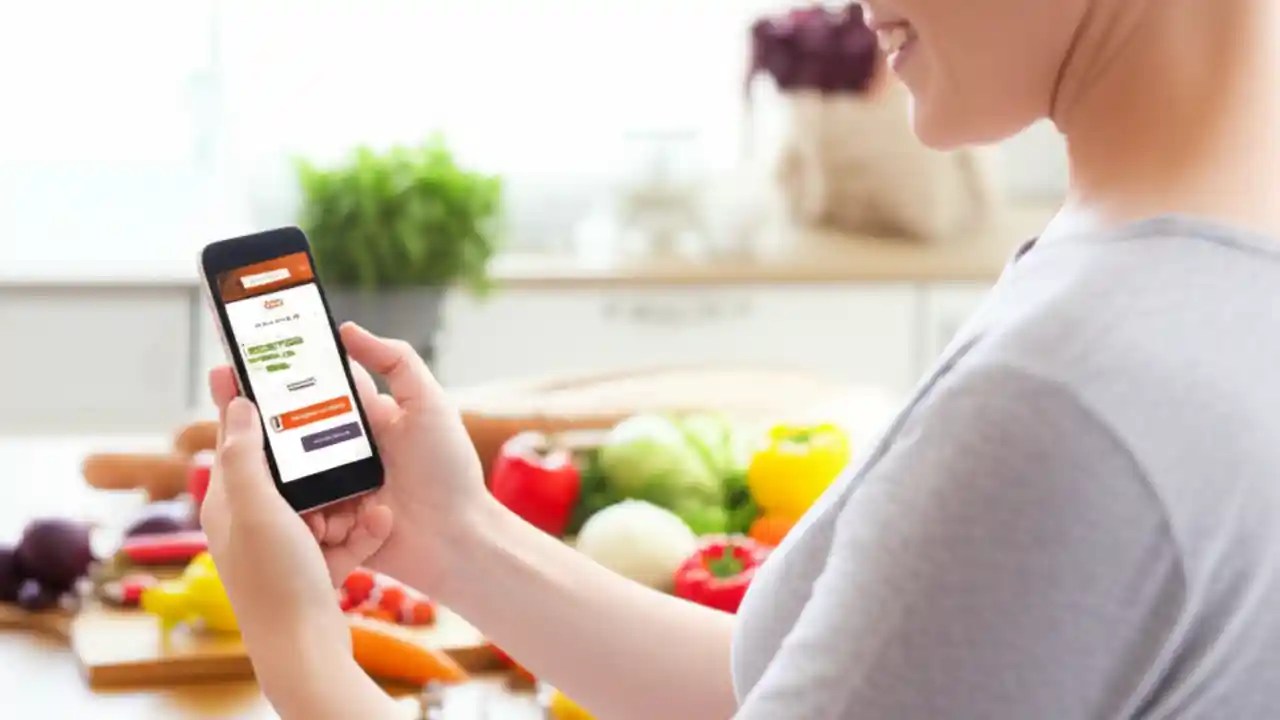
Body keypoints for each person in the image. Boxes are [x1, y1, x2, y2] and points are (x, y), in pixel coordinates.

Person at [202, 0, 1280, 717]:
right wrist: (453, 538)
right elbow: (801, 692)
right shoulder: (1175, 279)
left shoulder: (1060, 400)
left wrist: (303, 658)